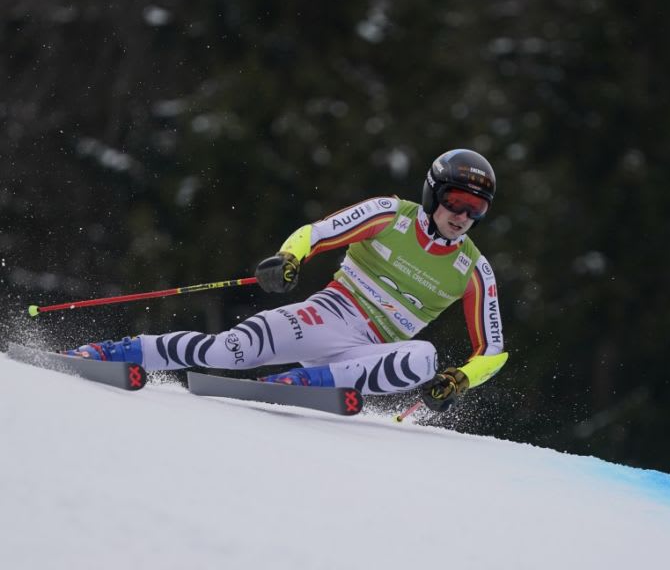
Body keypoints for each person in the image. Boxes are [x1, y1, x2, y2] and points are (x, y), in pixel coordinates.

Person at [68, 149, 508, 412]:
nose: (463, 217)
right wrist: (289, 258)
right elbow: (316, 234)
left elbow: (492, 352)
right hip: (326, 316)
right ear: (435, 193)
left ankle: (305, 384)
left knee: (425, 358)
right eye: (456, 202)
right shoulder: (391, 214)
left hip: (370, 351)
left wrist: (461, 380)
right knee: (229, 351)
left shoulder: (473, 270)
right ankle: (118, 352)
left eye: (477, 209)